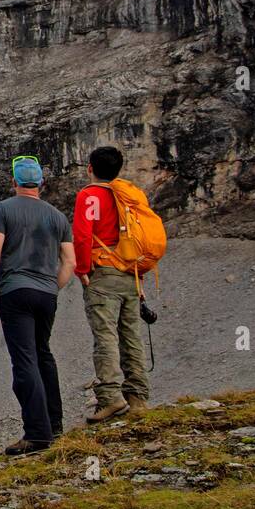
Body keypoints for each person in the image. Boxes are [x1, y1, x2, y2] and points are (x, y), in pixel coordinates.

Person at [0, 156, 76, 454]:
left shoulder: (4, 209)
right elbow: (70, 261)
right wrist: (52, 287)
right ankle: (55, 425)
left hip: (15, 291)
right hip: (47, 293)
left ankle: (37, 434)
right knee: (43, 354)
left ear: (14, 182)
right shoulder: (58, 216)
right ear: (41, 184)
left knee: (25, 360)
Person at [72, 145, 150, 421]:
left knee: (105, 334)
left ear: (90, 168)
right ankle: (138, 396)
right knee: (131, 334)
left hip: (102, 273)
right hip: (131, 272)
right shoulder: (128, 197)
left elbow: (82, 235)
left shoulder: (89, 196)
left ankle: (111, 397)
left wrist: (81, 268)